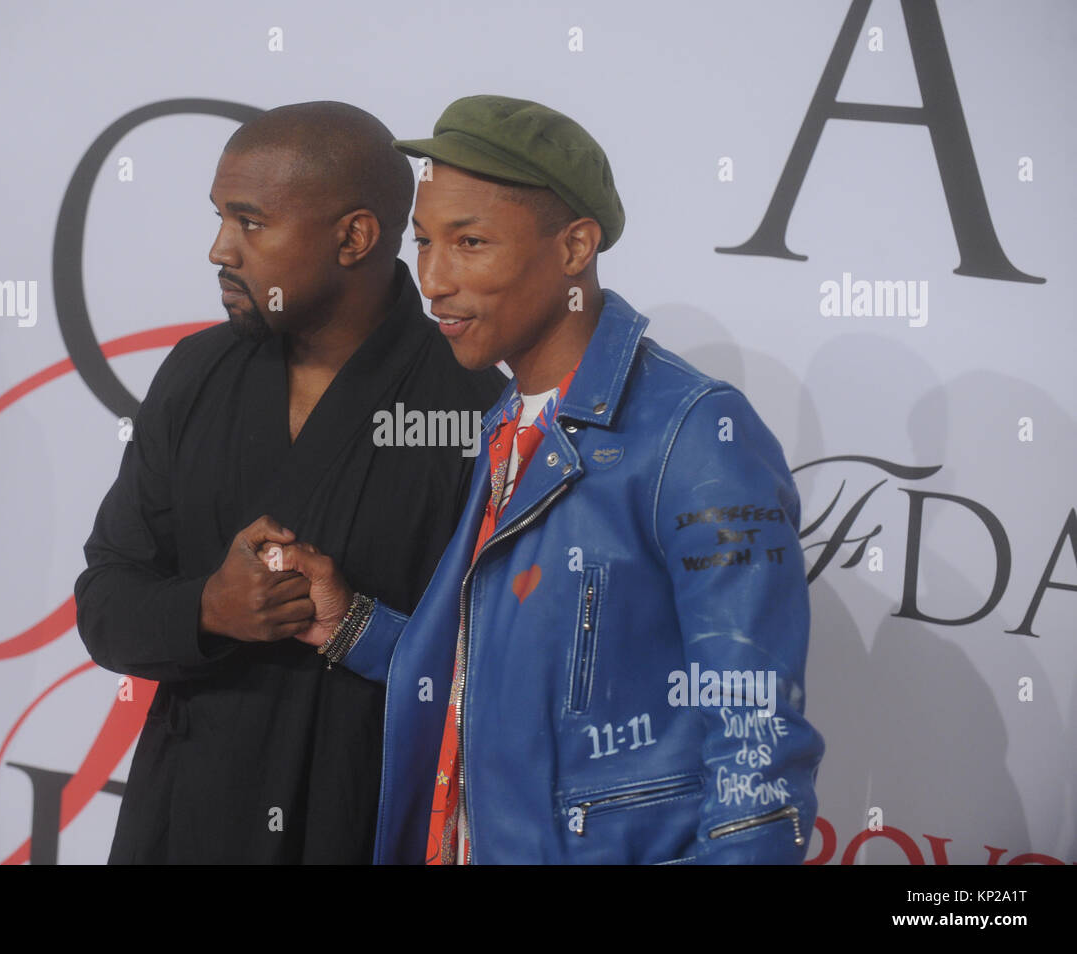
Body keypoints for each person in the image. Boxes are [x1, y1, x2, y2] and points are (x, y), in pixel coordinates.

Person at [264, 95, 826, 864]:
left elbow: (756, 742)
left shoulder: (693, 433)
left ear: (575, 248)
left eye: (470, 242)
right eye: (424, 242)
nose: (433, 279)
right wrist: (351, 624)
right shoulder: (508, 419)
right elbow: (501, 686)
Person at [73, 100, 507, 863]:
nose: (220, 249)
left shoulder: (473, 406)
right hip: (185, 820)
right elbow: (105, 601)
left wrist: (357, 623)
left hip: (366, 823)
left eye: (250, 223)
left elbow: (504, 677)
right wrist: (209, 609)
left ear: (353, 237)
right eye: (220, 218)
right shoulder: (195, 374)